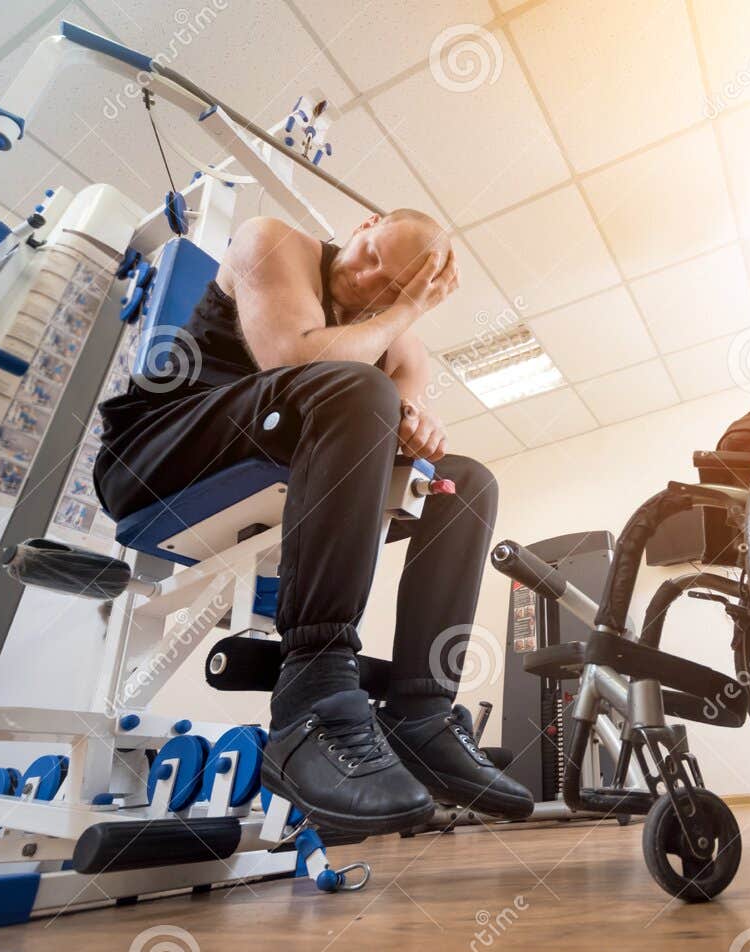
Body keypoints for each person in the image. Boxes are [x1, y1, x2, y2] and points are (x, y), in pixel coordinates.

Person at [93, 209, 533, 834]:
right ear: (364, 223)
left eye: (392, 286)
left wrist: (417, 429)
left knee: (461, 484)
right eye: (372, 254)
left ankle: (422, 713)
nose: (367, 278)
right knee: (358, 388)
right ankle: (312, 696)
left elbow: (394, 431)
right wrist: (406, 308)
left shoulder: (400, 348)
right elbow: (293, 361)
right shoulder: (274, 242)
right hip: (155, 457)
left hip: (277, 466)